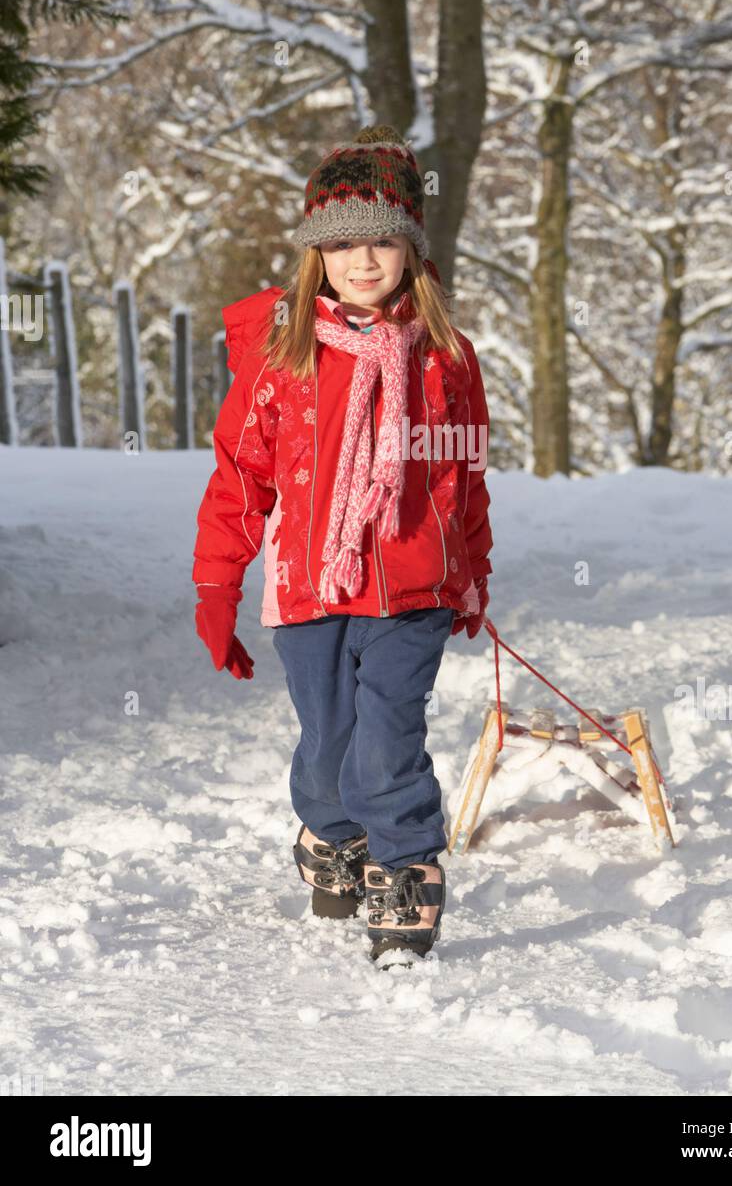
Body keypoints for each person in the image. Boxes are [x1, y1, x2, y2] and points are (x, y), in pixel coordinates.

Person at [191, 123, 494, 967]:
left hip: (412, 590)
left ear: (411, 248)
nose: (364, 261)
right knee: (327, 753)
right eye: (343, 244)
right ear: (316, 255)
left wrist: (470, 572)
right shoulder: (282, 358)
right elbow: (238, 478)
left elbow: (463, 475)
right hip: (309, 589)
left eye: (382, 242)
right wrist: (217, 588)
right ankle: (331, 833)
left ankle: (405, 868)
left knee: (387, 741)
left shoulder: (445, 358)